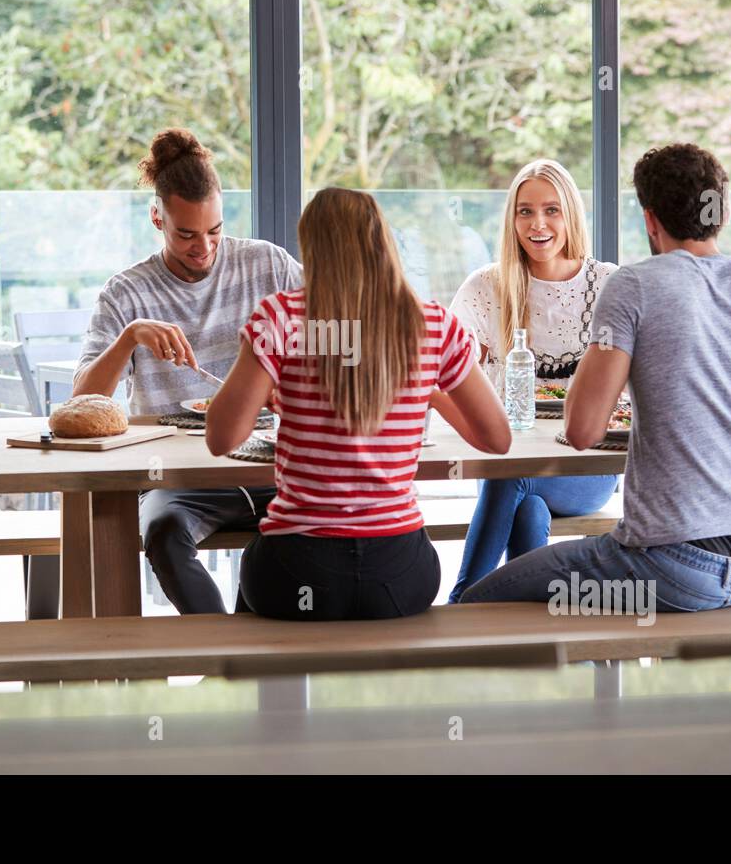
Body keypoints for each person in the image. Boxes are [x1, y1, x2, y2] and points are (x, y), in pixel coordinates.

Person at [460, 143, 731, 612]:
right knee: (533, 541)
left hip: (670, 567)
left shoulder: (630, 285)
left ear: (650, 219)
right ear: (721, 215)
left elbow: (582, 431)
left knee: (479, 601)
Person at [205, 187, 511, 620]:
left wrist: (275, 389)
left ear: (311, 248)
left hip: (298, 577)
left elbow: (221, 437)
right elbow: (497, 438)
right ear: (382, 240)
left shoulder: (280, 317)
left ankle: (260, 682)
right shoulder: (434, 325)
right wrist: (425, 387)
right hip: (401, 578)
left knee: (259, 576)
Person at [73, 128, 302, 613]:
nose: (204, 248)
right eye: (186, 234)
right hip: (177, 480)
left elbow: (332, 342)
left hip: (270, 466)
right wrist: (129, 336)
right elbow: (82, 400)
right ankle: (227, 657)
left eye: (214, 231)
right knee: (163, 530)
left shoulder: (269, 266)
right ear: (158, 218)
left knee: (310, 527)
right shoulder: (126, 293)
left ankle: (241, 656)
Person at [446, 159, 620, 602]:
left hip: (586, 466)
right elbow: (447, 374)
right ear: (512, 218)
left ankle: (464, 602)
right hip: (511, 459)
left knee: (511, 479)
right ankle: (529, 630)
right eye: (525, 211)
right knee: (528, 511)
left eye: (551, 210)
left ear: (571, 215)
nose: (537, 224)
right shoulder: (486, 286)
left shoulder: (608, 285)